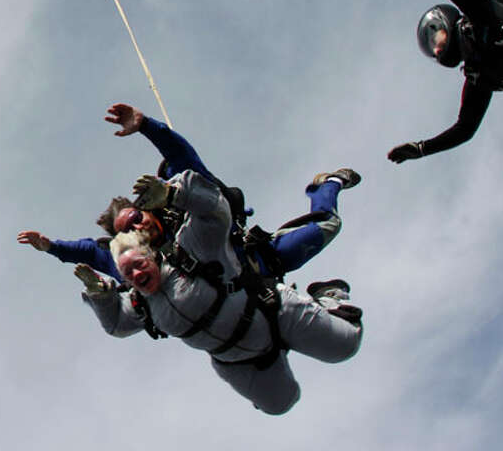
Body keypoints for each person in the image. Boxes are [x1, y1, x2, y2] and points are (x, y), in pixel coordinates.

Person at [77, 170, 363, 415]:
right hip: (240, 358)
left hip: (269, 300)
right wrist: (100, 294)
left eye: (140, 265)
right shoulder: (142, 301)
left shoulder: (189, 245)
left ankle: (328, 295)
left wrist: (172, 192)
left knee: (345, 344)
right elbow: (116, 323)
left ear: (149, 254)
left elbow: (215, 208)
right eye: (130, 274)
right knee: (281, 403)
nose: (138, 275)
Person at [17, 104, 356, 281]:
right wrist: (51, 247)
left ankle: (326, 186)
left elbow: (183, 160)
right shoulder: (142, 260)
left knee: (328, 224)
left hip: (258, 262)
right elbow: (93, 254)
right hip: (233, 303)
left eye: (135, 219)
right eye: (127, 231)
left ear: (145, 209)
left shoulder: (177, 206)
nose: (137, 230)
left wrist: (147, 126)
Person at [361, 0, 503, 162]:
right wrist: (422, 149)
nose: (436, 47)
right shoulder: (477, 76)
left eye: (434, 36)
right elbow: (464, 129)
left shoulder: (478, 14)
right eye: (432, 48)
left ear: (444, 21)